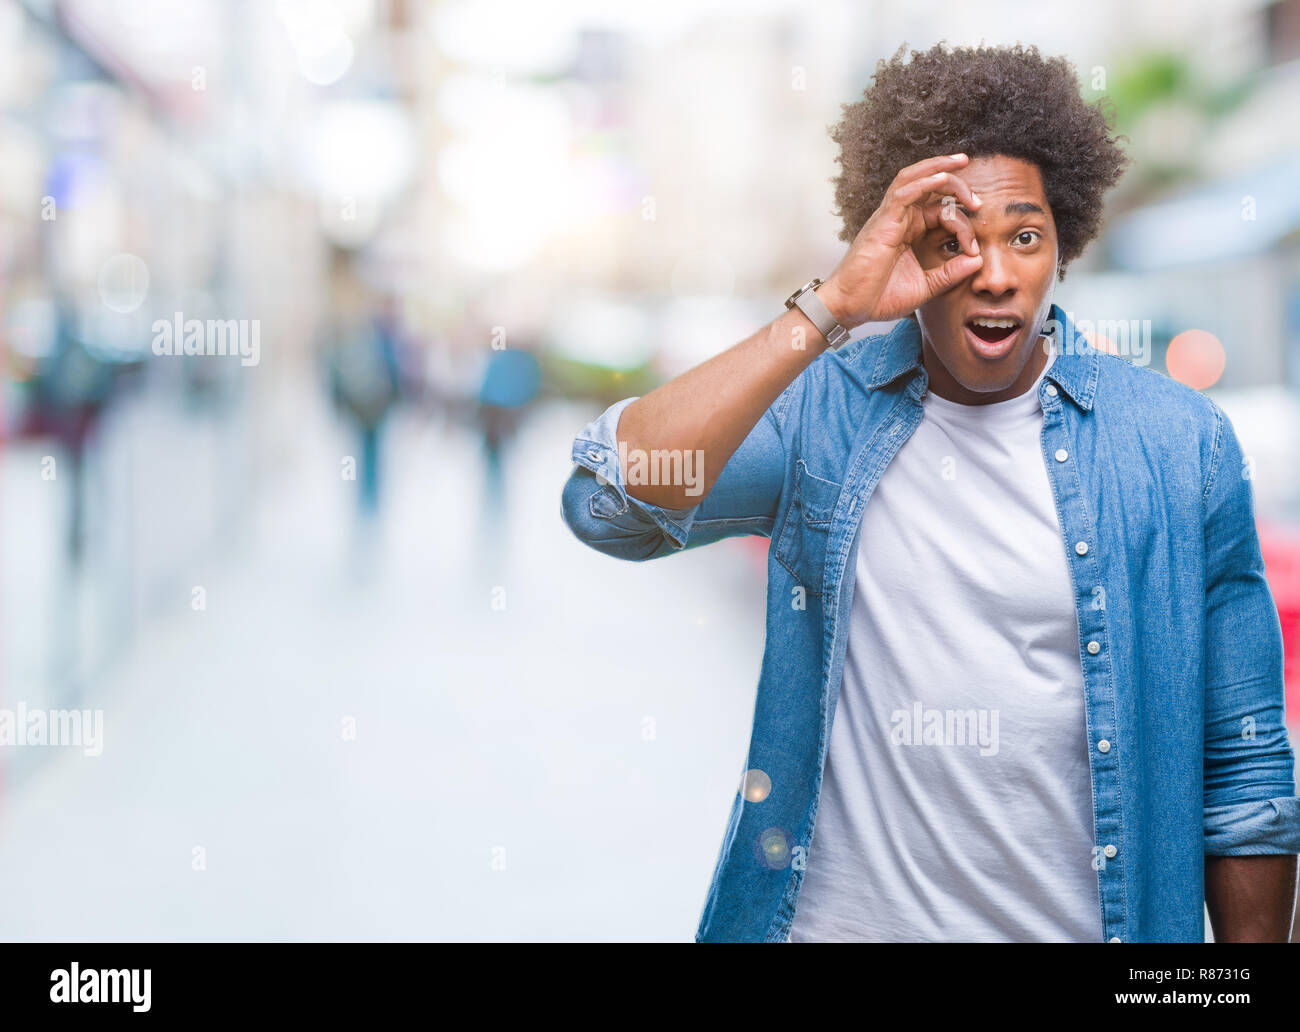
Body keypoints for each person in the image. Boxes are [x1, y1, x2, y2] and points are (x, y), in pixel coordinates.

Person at [559, 42, 1300, 942]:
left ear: (1062, 242)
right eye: (952, 240)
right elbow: (607, 506)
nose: (992, 273)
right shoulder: (823, 418)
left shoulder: (1179, 447)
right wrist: (830, 306)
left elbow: (1247, 770)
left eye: (1024, 235)